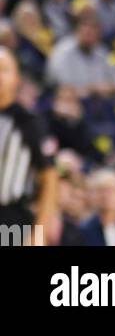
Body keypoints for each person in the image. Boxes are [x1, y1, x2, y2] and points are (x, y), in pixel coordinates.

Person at [0, 46, 57, 244]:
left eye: (4, 70)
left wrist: (39, 232)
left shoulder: (28, 122)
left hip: (11, 219)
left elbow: (50, 179)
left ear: (16, 78)